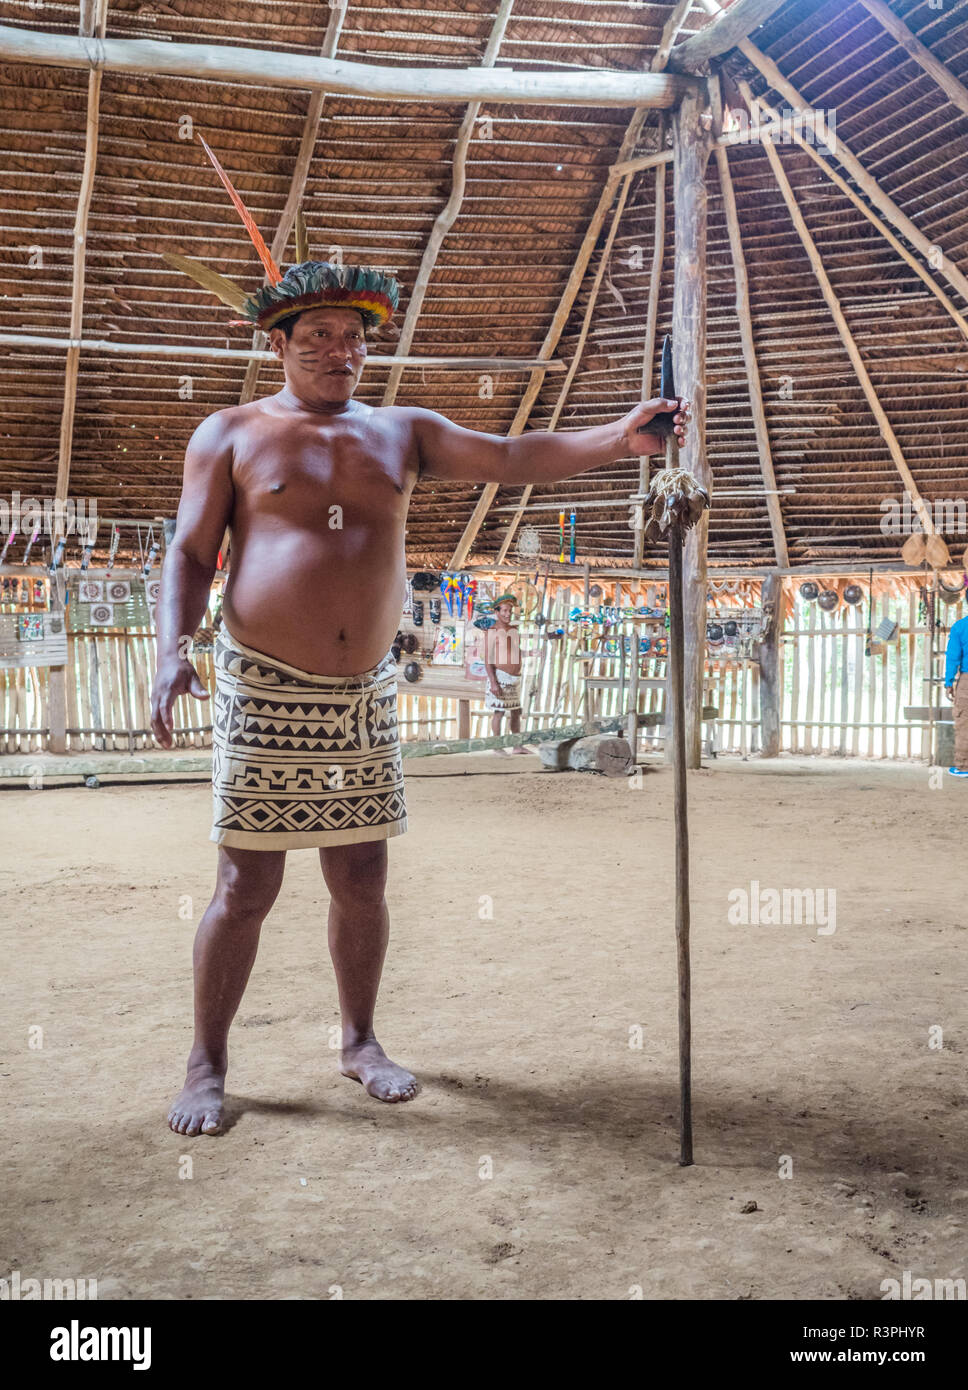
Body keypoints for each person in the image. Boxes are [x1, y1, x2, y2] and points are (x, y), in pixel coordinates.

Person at [151, 145, 689, 1135]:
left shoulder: (403, 431)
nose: (337, 352)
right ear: (281, 342)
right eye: (317, 336)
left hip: (361, 696)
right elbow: (187, 554)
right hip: (263, 687)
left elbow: (517, 455)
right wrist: (167, 651)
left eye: (352, 339)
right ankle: (206, 1062)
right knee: (246, 882)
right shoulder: (229, 434)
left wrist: (619, 437)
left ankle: (357, 1041)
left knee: (360, 875)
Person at [484, 595, 530, 754]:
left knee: (517, 711)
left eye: (510, 611)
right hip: (500, 677)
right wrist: (493, 682)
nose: (508, 614)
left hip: (515, 678)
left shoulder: (513, 630)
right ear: (496, 612)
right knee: (499, 711)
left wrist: (530, 652)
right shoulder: (492, 631)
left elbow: (516, 652)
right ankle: (497, 746)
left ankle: (517, 746)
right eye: (504, 610)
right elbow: (487, 659)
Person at [945, 582, 968, 777]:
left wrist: (948, 683)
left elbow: (952, 657)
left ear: (967, 602)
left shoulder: (959, 627)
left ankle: (964, 768)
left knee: (964, 723)